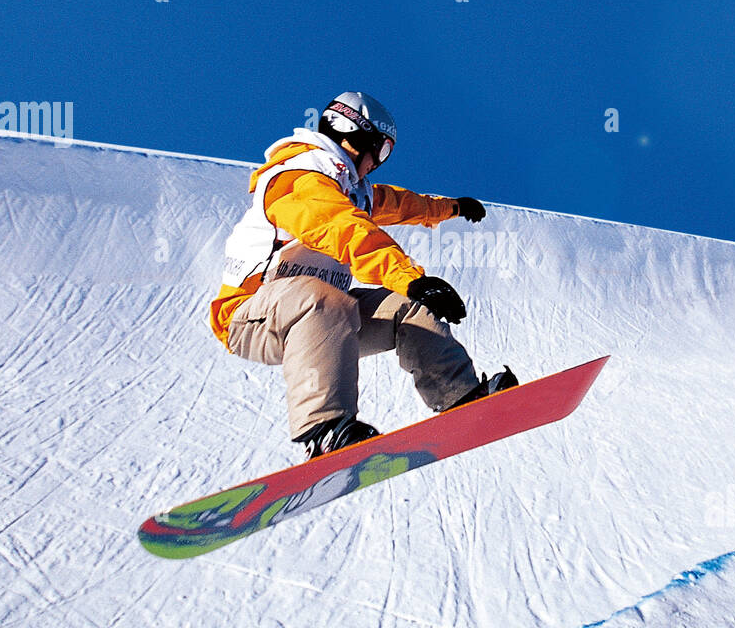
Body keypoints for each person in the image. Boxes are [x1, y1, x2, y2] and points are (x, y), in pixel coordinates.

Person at [209, 91, 517, 459]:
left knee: (408, 308)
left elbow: (404, 204)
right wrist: (410, 276)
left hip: (324, 320)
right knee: (321, 297)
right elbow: (339, 226)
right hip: (250, 319)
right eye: (381, 150)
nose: (379, 162)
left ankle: (460, 395)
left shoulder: (353, 189)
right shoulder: (297, 177)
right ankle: (325, 429)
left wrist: (452, 207)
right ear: (351, 136)